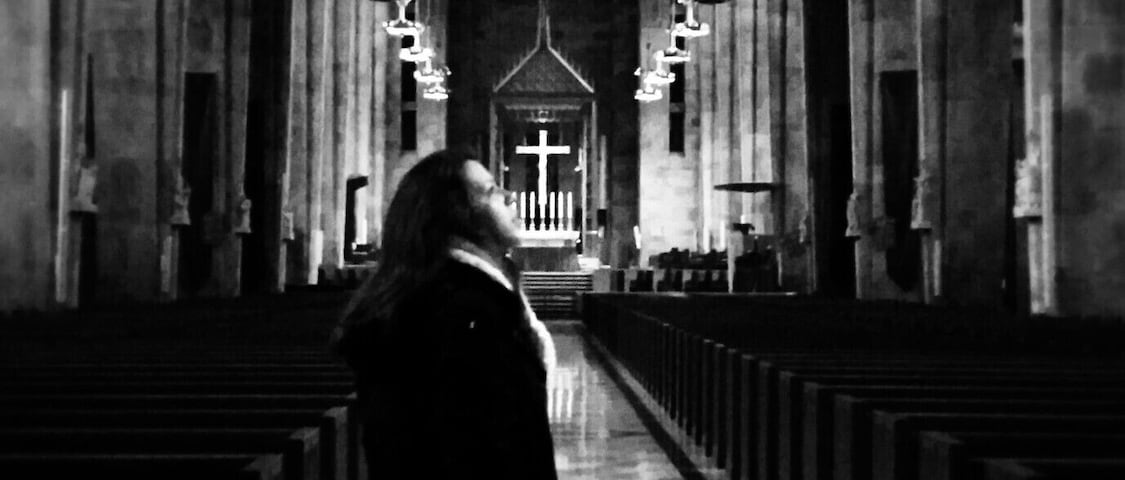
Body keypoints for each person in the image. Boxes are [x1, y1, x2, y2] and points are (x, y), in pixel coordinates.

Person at [331, 149, 558, 479]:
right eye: (491, 190)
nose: (509, 196)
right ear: (458, 214)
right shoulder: (460, 314)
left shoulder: (456, 298)